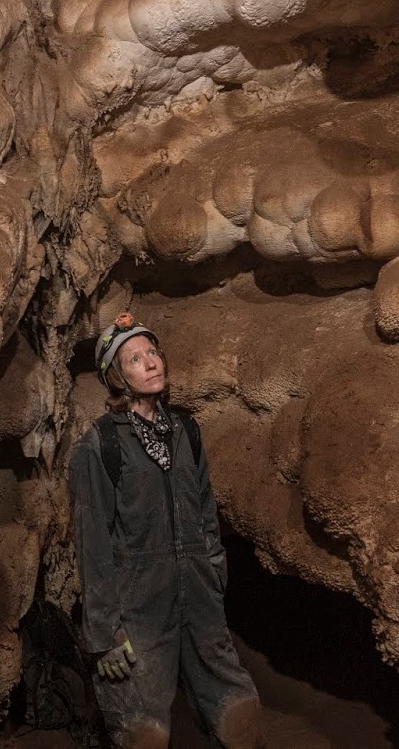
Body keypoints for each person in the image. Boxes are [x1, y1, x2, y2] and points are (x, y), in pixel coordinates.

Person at [68, 312, 265, 749]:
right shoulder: (101, 444)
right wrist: (105, 635)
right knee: (145, 730)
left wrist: (214, 574)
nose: (151, 363)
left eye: (152, 352)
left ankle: (218, 705)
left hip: (196, 590)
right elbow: (92, 542)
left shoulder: (185, 431)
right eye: (135, 359)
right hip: (140, 600)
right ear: (117, 377)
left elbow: (206, 511)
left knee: (240, 715)